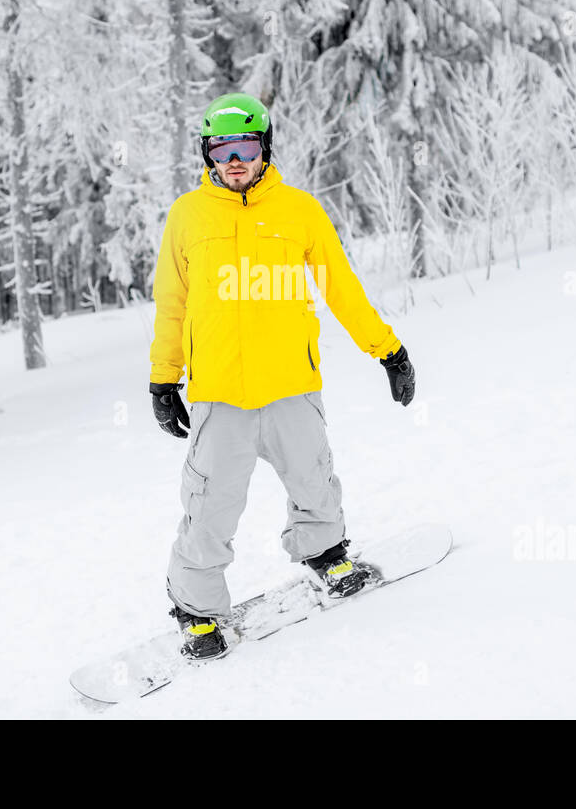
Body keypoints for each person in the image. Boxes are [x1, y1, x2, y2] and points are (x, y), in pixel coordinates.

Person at [148, 92, 416, 660]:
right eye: (222, 150)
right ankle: (196, 609)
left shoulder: (300, 212)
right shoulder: (187, 217)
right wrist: (162, 378)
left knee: (314, 478)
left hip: (293, 383)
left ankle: (325, 555)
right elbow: (171, 303)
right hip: (220, 391)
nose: (235, 160)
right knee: (210, 501)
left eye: (245, 146)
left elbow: (341, 288)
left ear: (264, 147)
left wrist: (387, 351)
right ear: (208, 156)